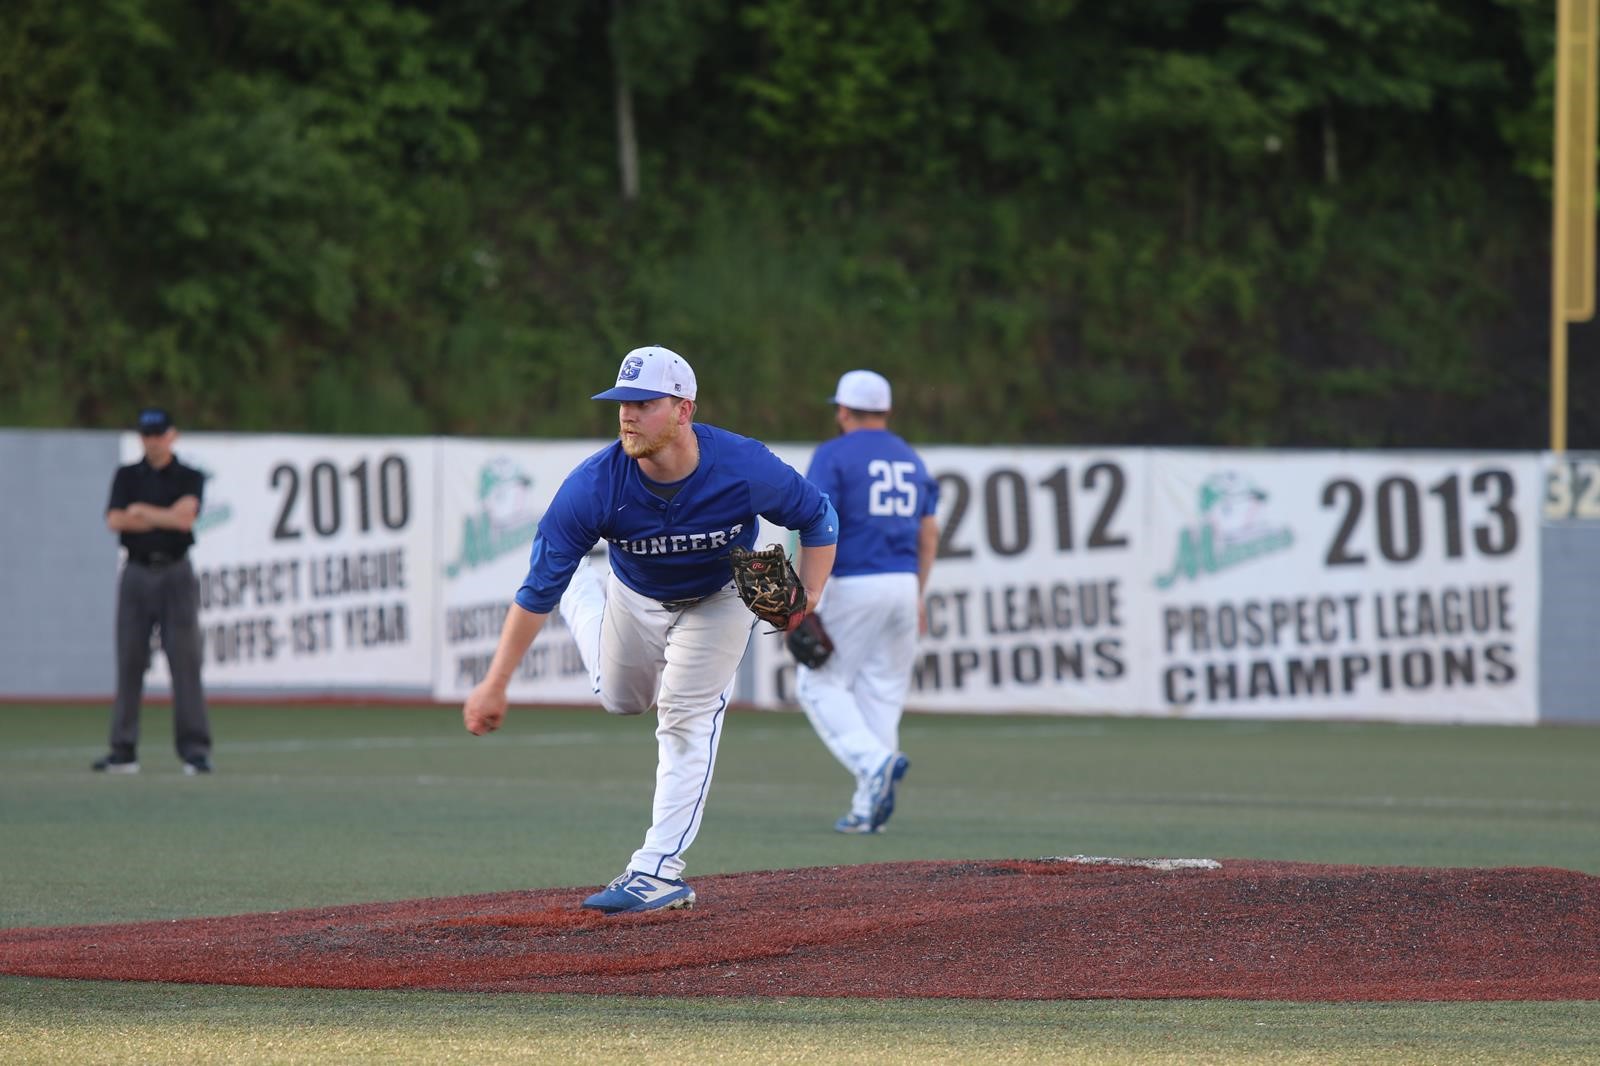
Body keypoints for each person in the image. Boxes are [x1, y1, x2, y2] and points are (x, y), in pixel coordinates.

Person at [462, 346, 838, 914]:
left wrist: (808, 598)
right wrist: (496, 682)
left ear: (684, 409)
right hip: (636, 597)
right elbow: (533, 593)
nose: (627, 415)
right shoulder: (593, 486)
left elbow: (818, 517)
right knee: (621, 701)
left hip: (720, 598)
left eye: (643, 403)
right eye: (621, 403)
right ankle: (583, 590)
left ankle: (658, 869)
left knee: (685, 714)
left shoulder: (742, 466)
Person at [794, 370, 939, 833]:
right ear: (887, 411)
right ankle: (866, 809)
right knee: (882, 694)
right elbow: (928, 531)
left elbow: (813, 520)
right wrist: (918, 591)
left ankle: (875, 763)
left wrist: (801, 591)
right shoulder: (910, 457)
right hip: (902, 584)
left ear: (842, 410)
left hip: (856, 581)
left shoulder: (834, 453)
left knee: (817, 685)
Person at [95, 407, 213, 775]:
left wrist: (144, 511)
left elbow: (184, 519)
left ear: (171, 435)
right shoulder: (127, 475)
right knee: (129, 660)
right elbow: (115, 520)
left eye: (158, 434)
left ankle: (194, 750)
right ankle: (123, 749)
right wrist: (164, 516)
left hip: (176, 572)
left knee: (185, 661)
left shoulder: (188, 476)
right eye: (146, 435)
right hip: (136, 572)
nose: (153, 441)